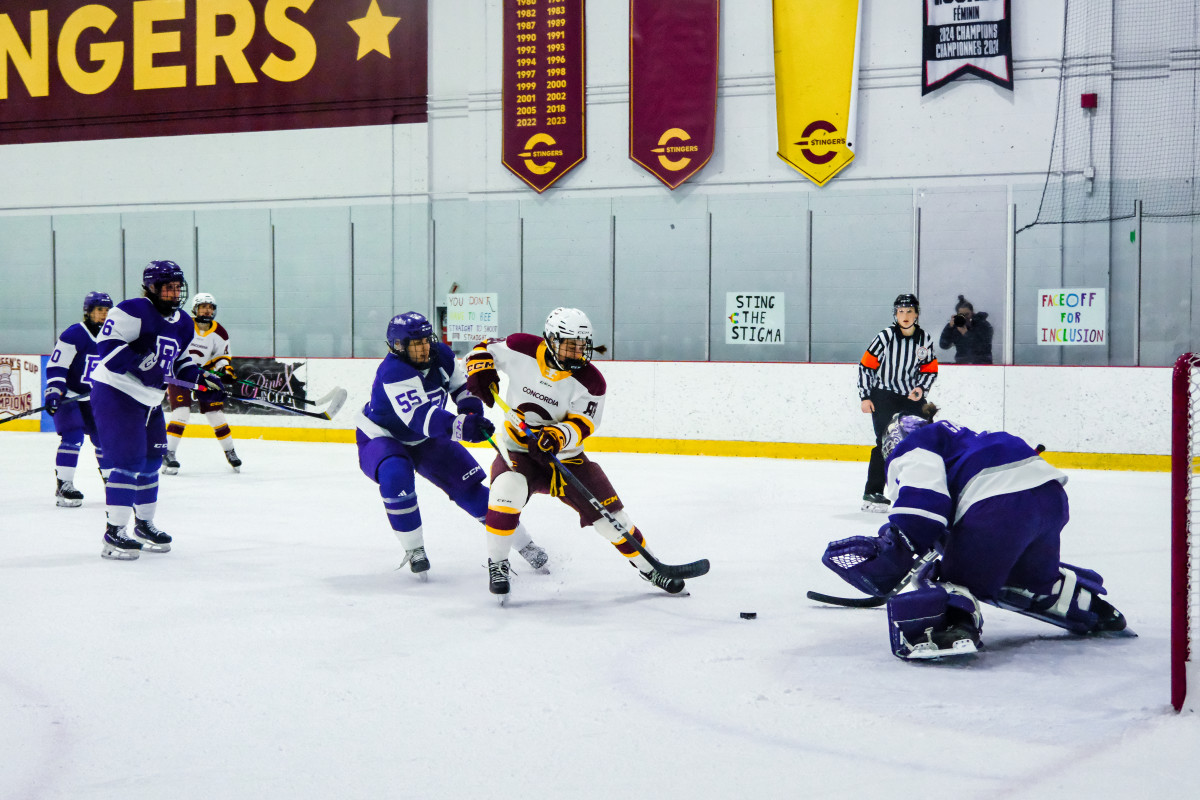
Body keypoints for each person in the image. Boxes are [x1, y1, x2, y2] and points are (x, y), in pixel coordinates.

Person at [821, 405, 1129, 660]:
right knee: (1021, 576)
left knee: (949, 579)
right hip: (1051, 499)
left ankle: (953, 626)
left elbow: (923, 507)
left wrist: (899, 546)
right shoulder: (960, 440)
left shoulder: (912, 446)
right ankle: (1086, 604)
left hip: (997, 507)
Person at [464, 306, 689, 599]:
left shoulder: (592, 381)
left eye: (582, 346)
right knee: (506, 493)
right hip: (517, 450)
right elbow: (484, 349)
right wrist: (480, 365)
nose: (577, 352)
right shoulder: (521, 347)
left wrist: (557, 436)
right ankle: (498, 564)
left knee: (612, 518)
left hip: (564, 457)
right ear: (550, 339)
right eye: (570, 345)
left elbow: (583, 423)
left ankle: (650, 567)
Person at [354, 311, 550, 580]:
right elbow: (421, 417)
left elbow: (462, 388)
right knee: (395, 474)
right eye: (416, 343)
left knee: (470, 489)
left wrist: (471, 412)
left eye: (426, 340)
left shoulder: (442, 355)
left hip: (426, 437)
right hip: (382, 436)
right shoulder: (393, 372)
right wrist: (463, 428)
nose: (424, 348)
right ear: (398, 347)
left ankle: (524, 544)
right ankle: (415, 549)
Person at [89, 260, 221, 560]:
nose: (175, 293)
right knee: (128, 461)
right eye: (168, 287)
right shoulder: (132, 309)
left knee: (150, 461)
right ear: (152, 287)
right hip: (117, 393)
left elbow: (182, 362)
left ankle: (144, 524)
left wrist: (201, 377)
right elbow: (107, 348)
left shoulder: (185, 323)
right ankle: (114, 531)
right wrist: (143, 364)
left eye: (178, 287)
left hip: (150, 401)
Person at [857, 293, 938, 513]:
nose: (905, 315)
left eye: (909, 311)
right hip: (883, 394)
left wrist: (921, 388)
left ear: (916, 314)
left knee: (925, 437)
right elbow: (866, 366)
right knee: (885, 440)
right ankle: (873, 492)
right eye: (901, 311)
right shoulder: (885, 337)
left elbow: (930, 370)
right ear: (895, 314)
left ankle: (922, 489)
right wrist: (865, 396)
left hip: (911, 395)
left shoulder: (925, 340)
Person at [45, 291, 114, 507]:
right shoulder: (74, 334)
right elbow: (58, 365)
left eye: (107, 310)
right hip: (71, 395)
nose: (104, 314)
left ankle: (113, 483)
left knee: (104, 440)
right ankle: (64, 484)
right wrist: (55, 389)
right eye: (99, 310)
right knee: (73, 436)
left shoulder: (114, 336)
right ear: (88, 312)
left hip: (95, 398)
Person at [163, 292, 241, 474]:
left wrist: (225, 370)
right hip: (180, 373)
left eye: (210, 307)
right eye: (203, 306)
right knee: (181, 412)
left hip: (204, 375)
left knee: (215, 414)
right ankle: (169, 453)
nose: (207, 310)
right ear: (195, 308)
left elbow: (222, 357)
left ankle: (230, 451)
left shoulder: (219, 331)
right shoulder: (184, 325)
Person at [938, 295, 994, 364]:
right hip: (962, 365)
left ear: (972, 312)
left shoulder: (983, 325)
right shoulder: (956, 326)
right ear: (957, 314)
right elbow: (944, 345)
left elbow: (982, 347)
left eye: (967, 314)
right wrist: (949, 327)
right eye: (961, 315)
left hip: (982, 365)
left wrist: (965, 333)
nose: (965, 317)